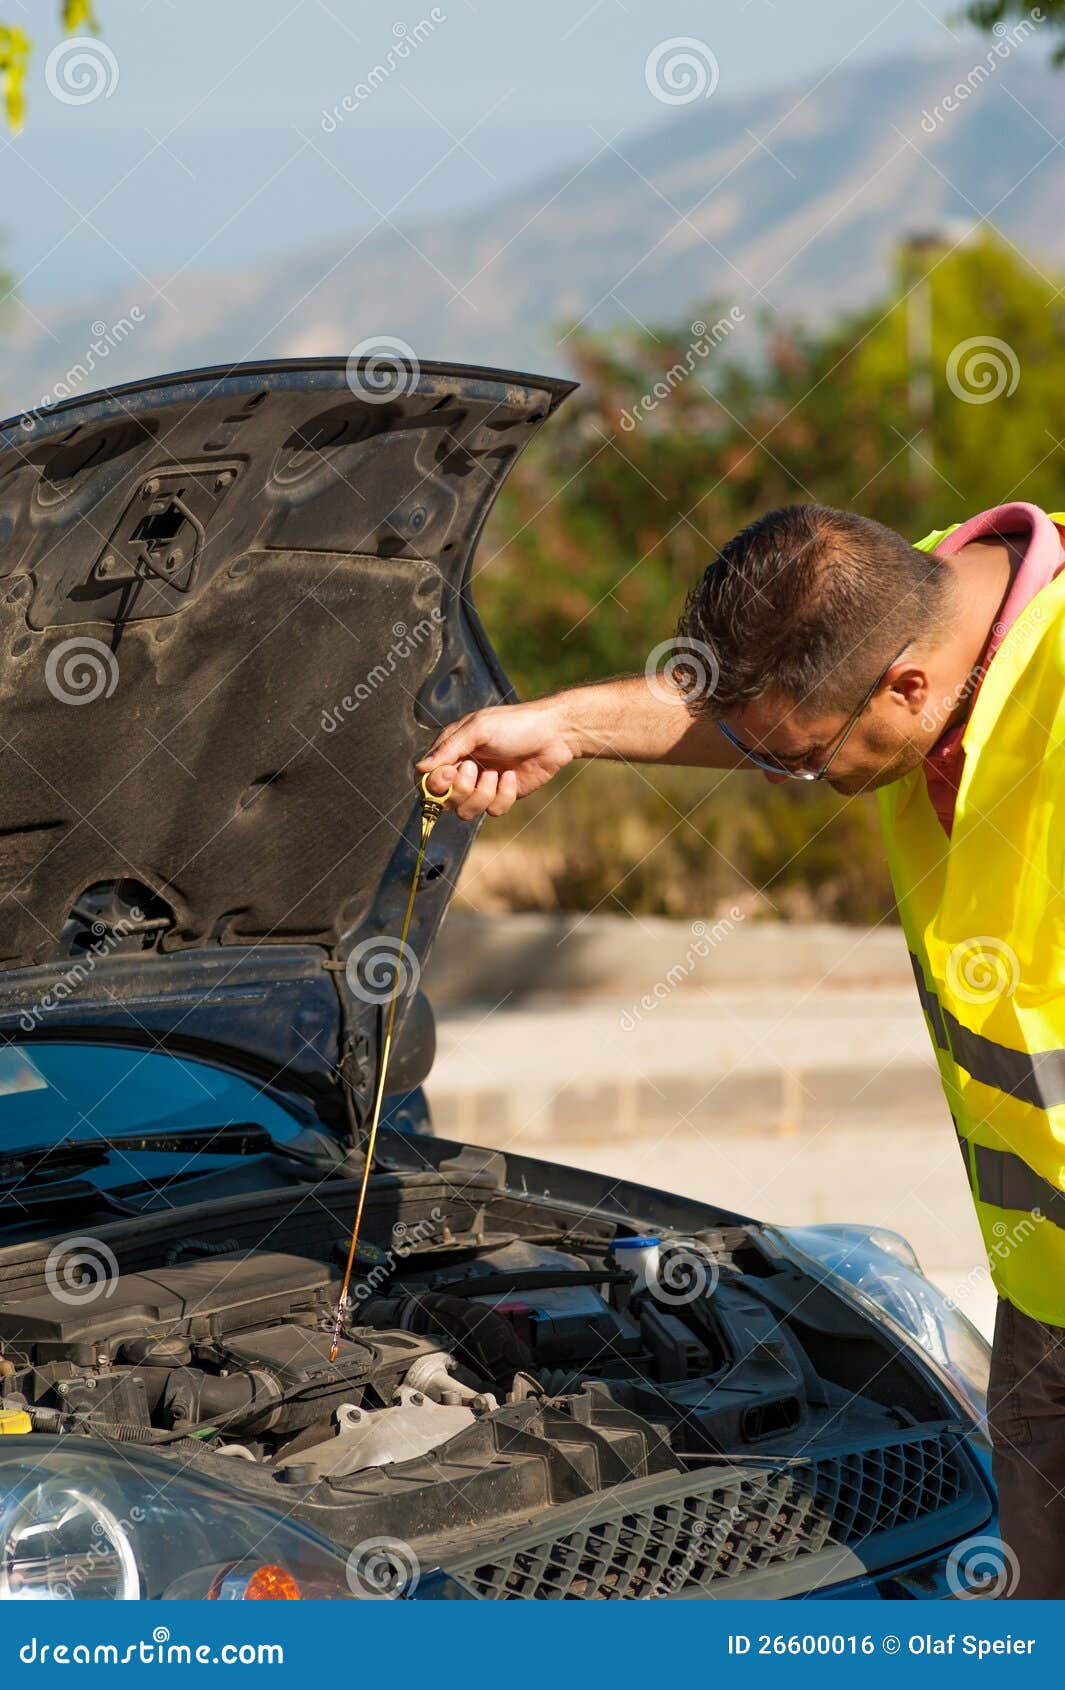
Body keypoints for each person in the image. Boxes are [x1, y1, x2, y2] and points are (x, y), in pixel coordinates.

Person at [417, 500, 1065, 1598]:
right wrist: (566, 725)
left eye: (800, 764)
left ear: (908, 688)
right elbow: (763, 713)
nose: (778, 781)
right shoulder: (932, 602)